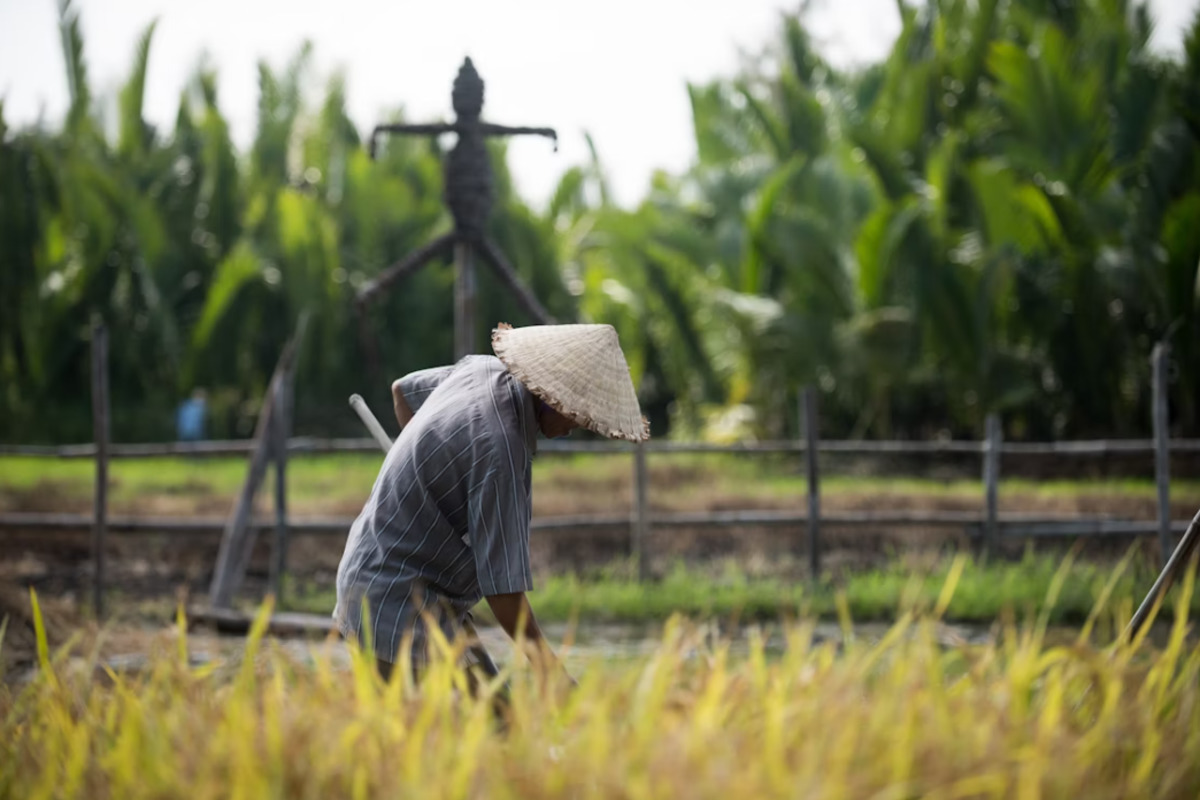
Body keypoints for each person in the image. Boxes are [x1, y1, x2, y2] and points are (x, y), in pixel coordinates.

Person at [333, 322, 649, 682]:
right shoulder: (500, 451)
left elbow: (403, 392)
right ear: (550, 395)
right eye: (578, 411)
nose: (580, 424)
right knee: (475, 726)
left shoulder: (480, 369)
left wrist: (431, 475)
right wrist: (550, 673)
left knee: (495, 717)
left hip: (410, 588)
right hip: (391, 600)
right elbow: (503, 590)